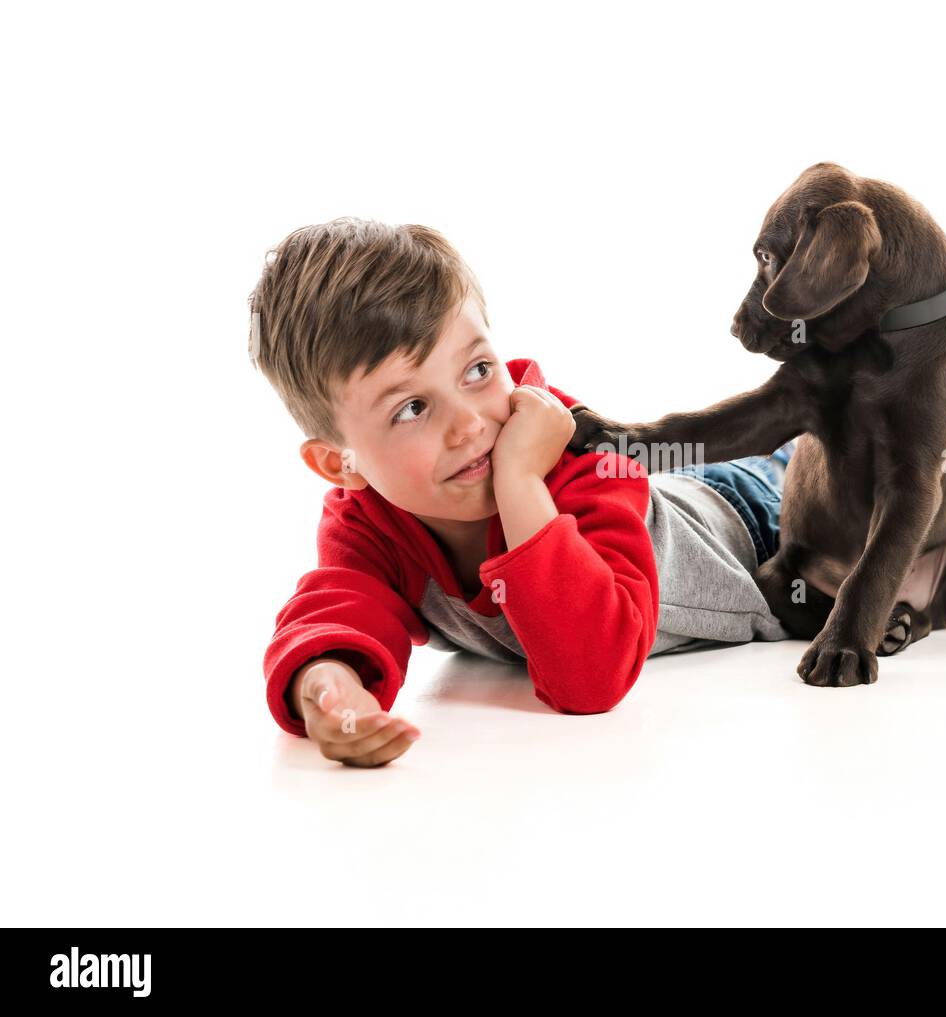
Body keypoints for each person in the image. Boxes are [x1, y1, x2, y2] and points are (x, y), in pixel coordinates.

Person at [249, 217, 795, 766]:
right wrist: (328, 682)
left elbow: (592, 677)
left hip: (755, 519)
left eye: (478, 370)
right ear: (339, 464)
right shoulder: (368, 519)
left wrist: (520, 482)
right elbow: (342, 606)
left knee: (838, 479)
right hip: (697, 488)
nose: (468, 425)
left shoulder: (582, 459)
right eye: (412, 408)